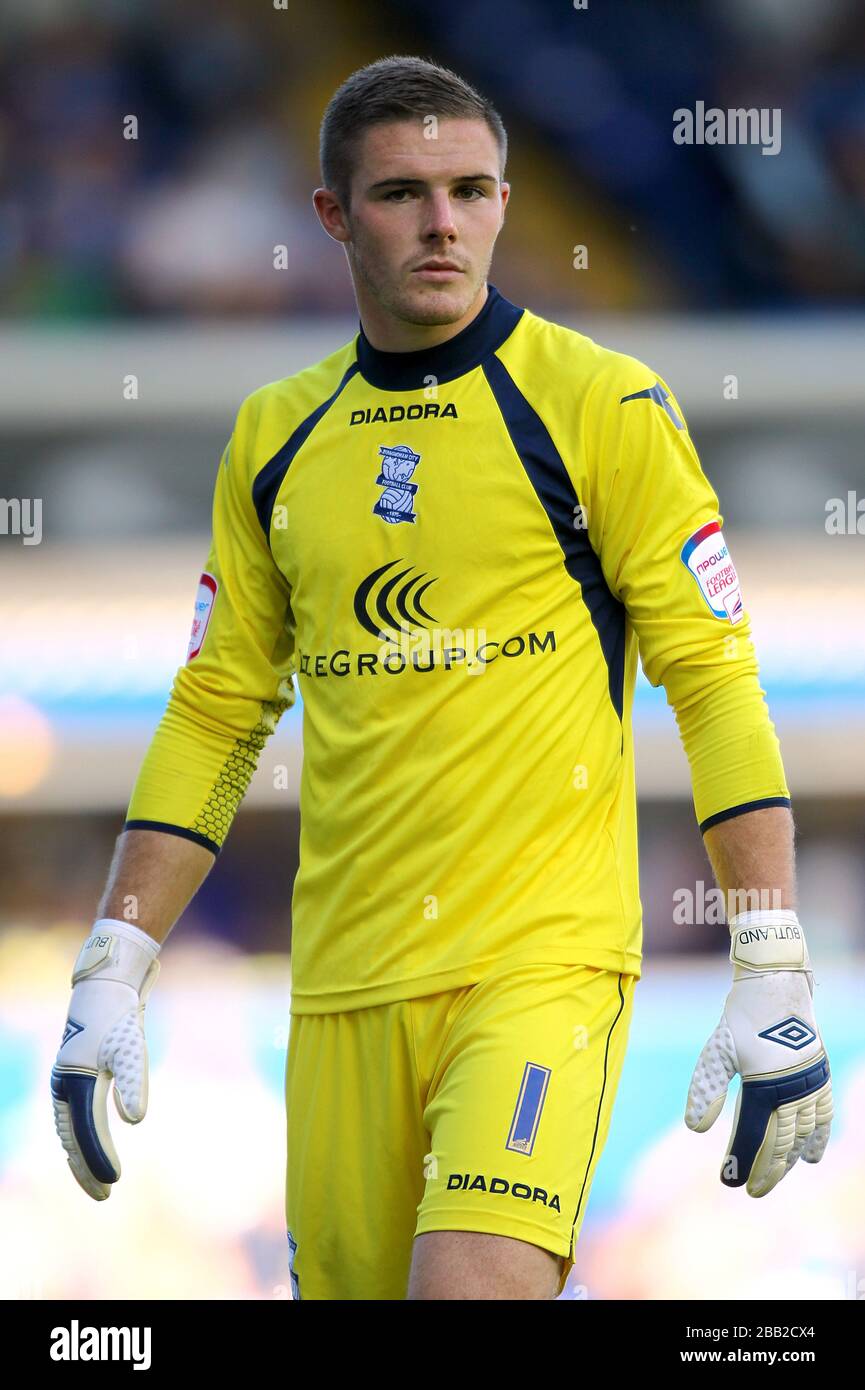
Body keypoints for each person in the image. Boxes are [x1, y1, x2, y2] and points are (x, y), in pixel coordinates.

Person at [51, 55, 833, 1301]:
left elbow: (712, 678)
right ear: (332, 214)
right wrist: (114, 959)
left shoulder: (602, 403)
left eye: (470, 191)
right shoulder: (274, 435)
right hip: (343, 989)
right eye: (401, 194)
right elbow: (216, 709)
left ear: (506, 203)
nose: (442, 224)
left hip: (539, 964)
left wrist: (771, 954)